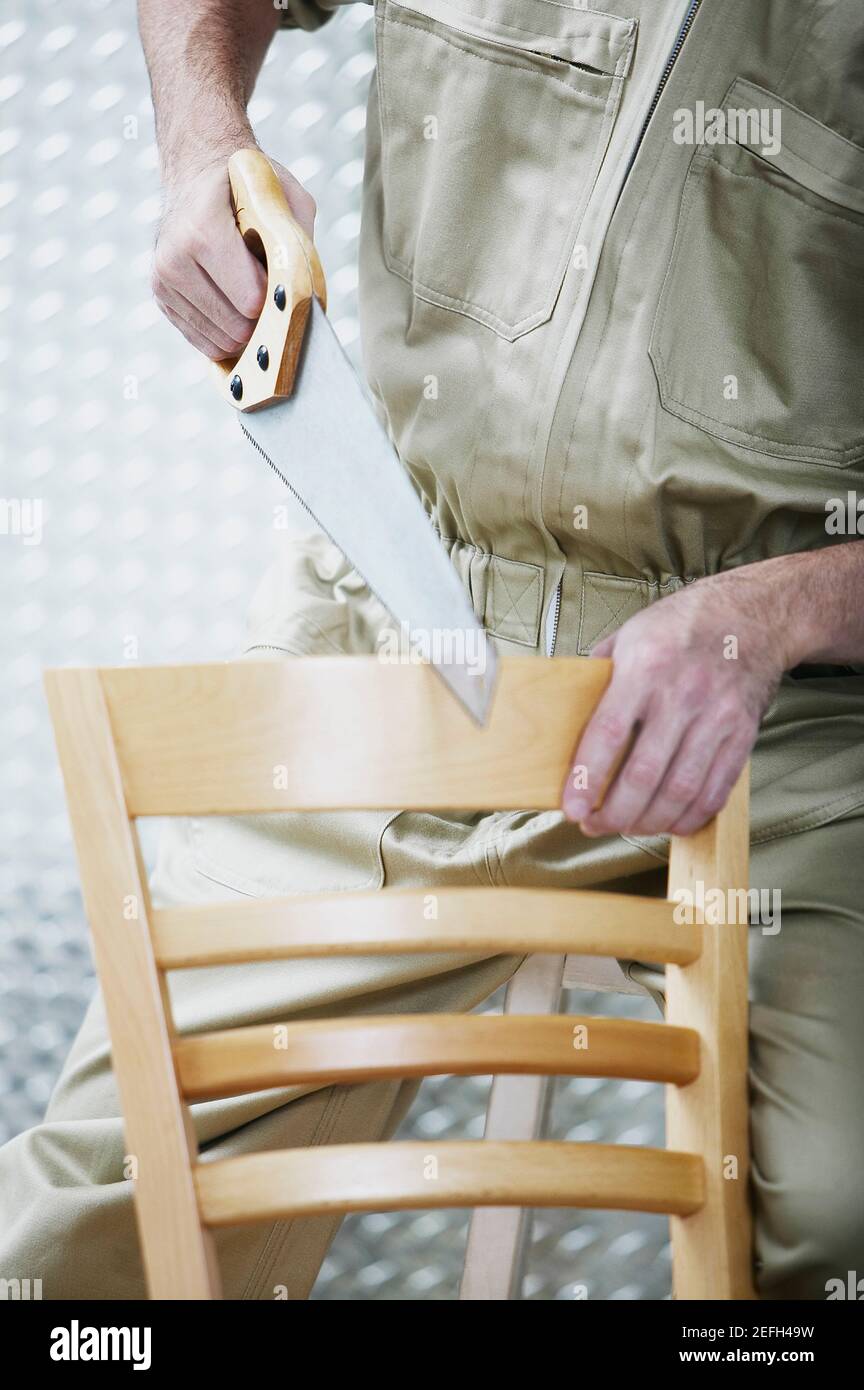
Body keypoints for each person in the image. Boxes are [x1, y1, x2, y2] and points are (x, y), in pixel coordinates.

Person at [2, 0, 863, 1300]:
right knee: (79, 1249)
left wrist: (778, 615)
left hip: (776, 715)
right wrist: (199, 143)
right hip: (390, 629)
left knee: (839, 1219)